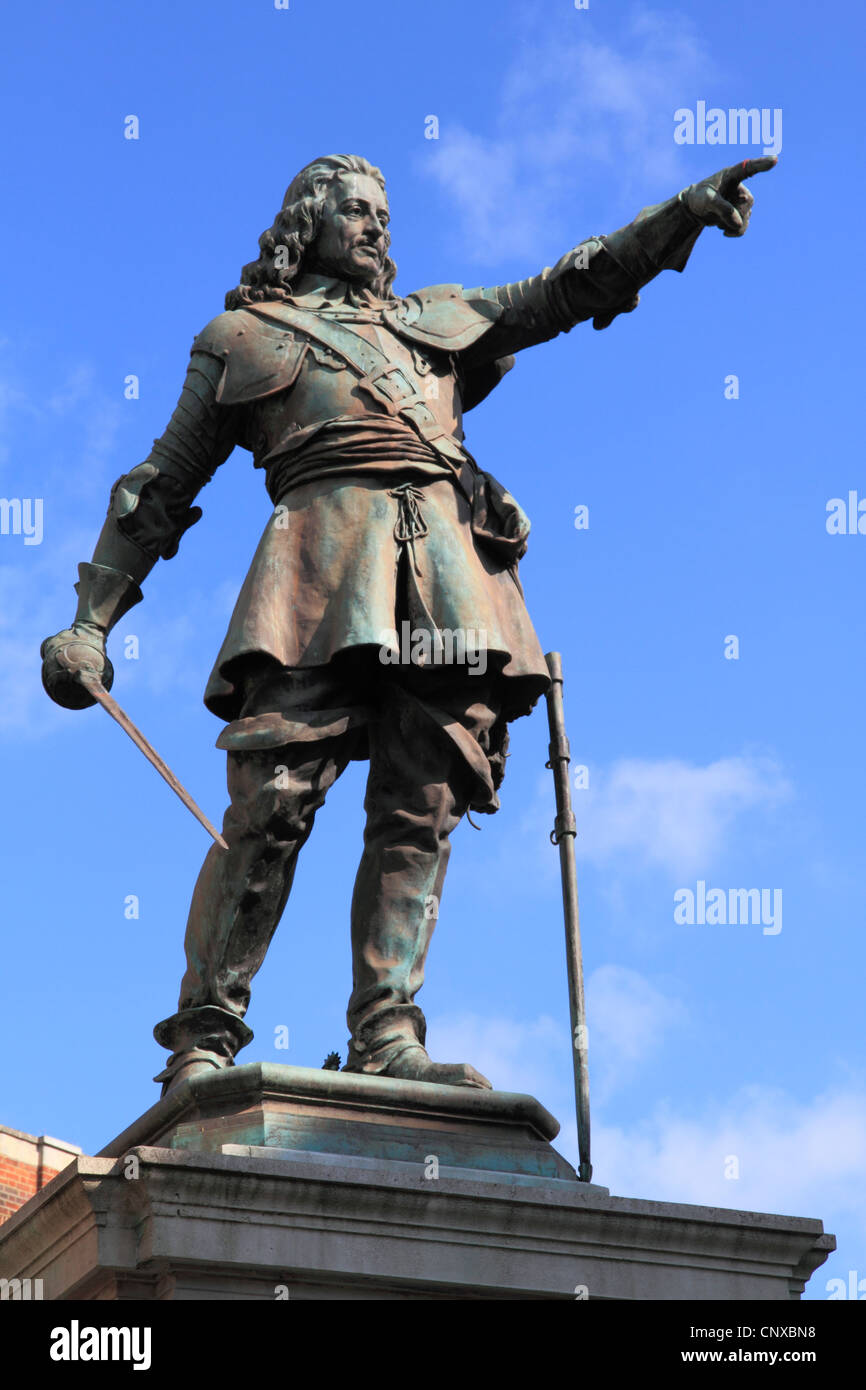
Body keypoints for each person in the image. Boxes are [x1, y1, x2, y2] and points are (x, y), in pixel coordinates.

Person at [41, 152, 775, 1094]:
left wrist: (678, 216)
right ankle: (206, 1034)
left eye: (385, 211)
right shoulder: (243, 336)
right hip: (314, 574)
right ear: (307, 219)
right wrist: (92, 620)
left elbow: (566, 286)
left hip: (443, 573)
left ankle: (387, 1030)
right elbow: (158, 489)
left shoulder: (434, 323)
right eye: (356, 208)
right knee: (271, 802)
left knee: (420, 806)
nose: (378, 225)